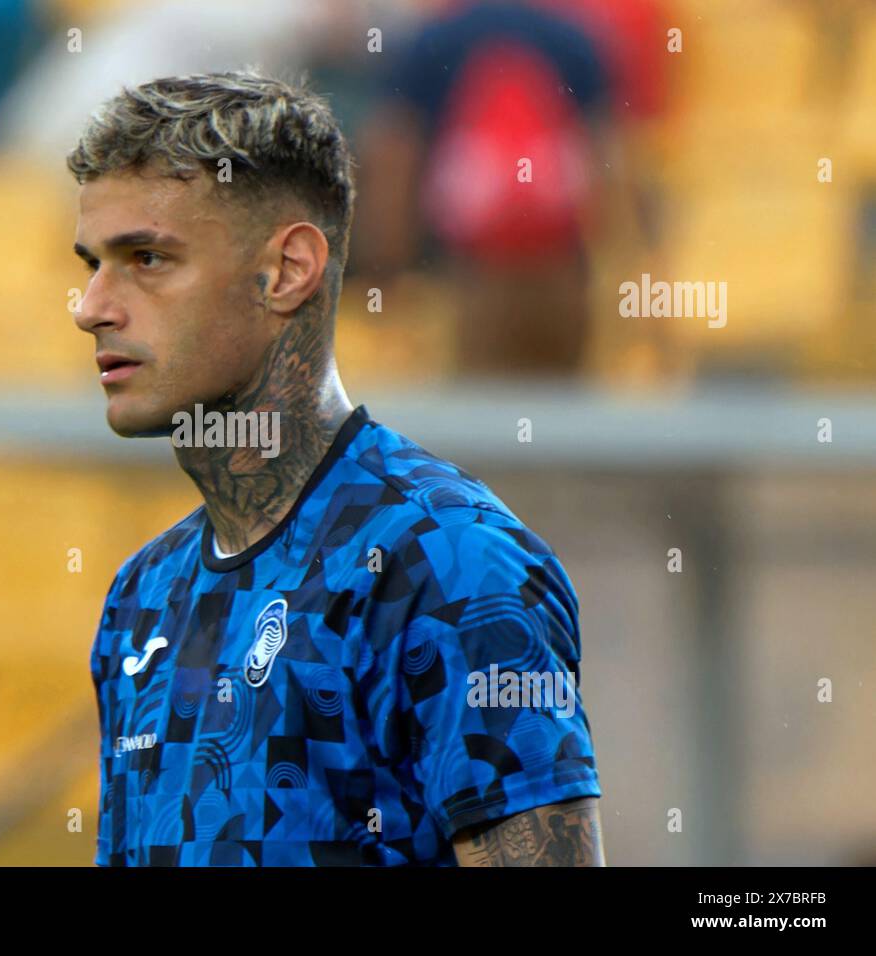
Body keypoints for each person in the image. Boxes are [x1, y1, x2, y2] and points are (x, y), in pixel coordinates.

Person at [68, 71, 604, 866]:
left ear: (287, 271)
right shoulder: (141, 597)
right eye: (92, 264)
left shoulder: (446, 565)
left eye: (146, 258)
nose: (91, 306)